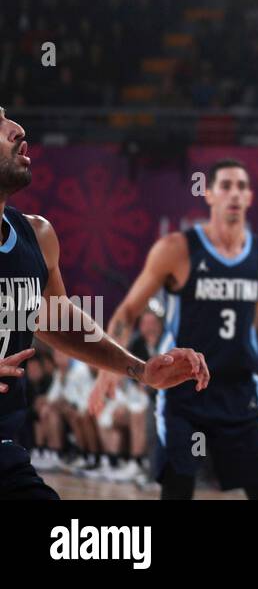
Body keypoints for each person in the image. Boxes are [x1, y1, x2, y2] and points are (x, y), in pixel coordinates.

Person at [0, 107, 207, 499]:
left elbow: (57, 320)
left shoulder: (36, 235)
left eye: (9, 118)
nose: (17, 129)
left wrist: (142, 369)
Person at [91, 158, 258, 500]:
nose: (234, 194)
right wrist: (110, 368)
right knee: (178, 490)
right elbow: (128, 310)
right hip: (184, 388)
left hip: (238, 390)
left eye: (241, 186)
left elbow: (253, 319)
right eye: (225, 186)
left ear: (250, 197)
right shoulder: (177, 249)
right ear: (208, 194)